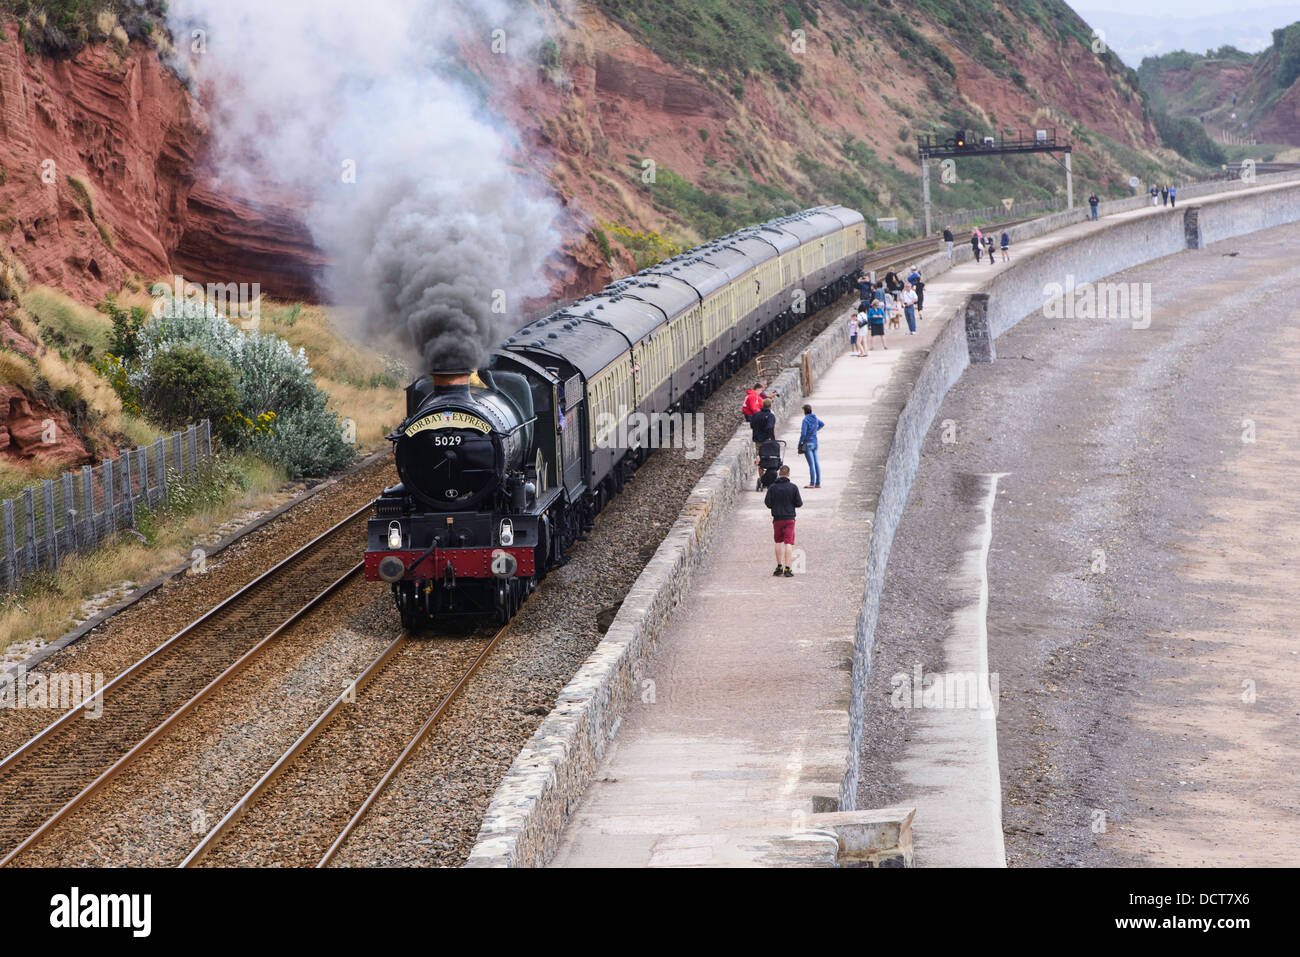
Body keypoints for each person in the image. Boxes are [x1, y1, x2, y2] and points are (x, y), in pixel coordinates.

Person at [764, 464, 803, 577]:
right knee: (788, 543)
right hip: (790, 518)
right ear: (788, 474)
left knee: (778, 542)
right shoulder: (793, 487)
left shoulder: (772, 487)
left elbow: (768, 503)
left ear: (779, 474)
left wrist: (775, 507)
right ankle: (788, 568)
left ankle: (779, 566)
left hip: (777, 519)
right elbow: (799, 503)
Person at [750, 397, 776, 484]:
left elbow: (752, 425)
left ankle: (762, 479)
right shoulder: (770, 416)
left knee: (760, 461)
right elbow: (770, 427)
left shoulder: (756, 415)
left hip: (758, 441)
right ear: (770, 406)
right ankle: (769, 478)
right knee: (770, 459)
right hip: (768, 442)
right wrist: (771, 438)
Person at [799, 404, 824, 489]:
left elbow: (803, 434)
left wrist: (800, 443)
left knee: (811, 464)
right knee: (816, 463)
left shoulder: (805, 420)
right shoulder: (815, 418)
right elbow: (822, 424)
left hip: (808, 443)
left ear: (804, 411)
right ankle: (818, 483)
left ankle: (812, 483)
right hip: (815, 442)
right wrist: (815, 430)